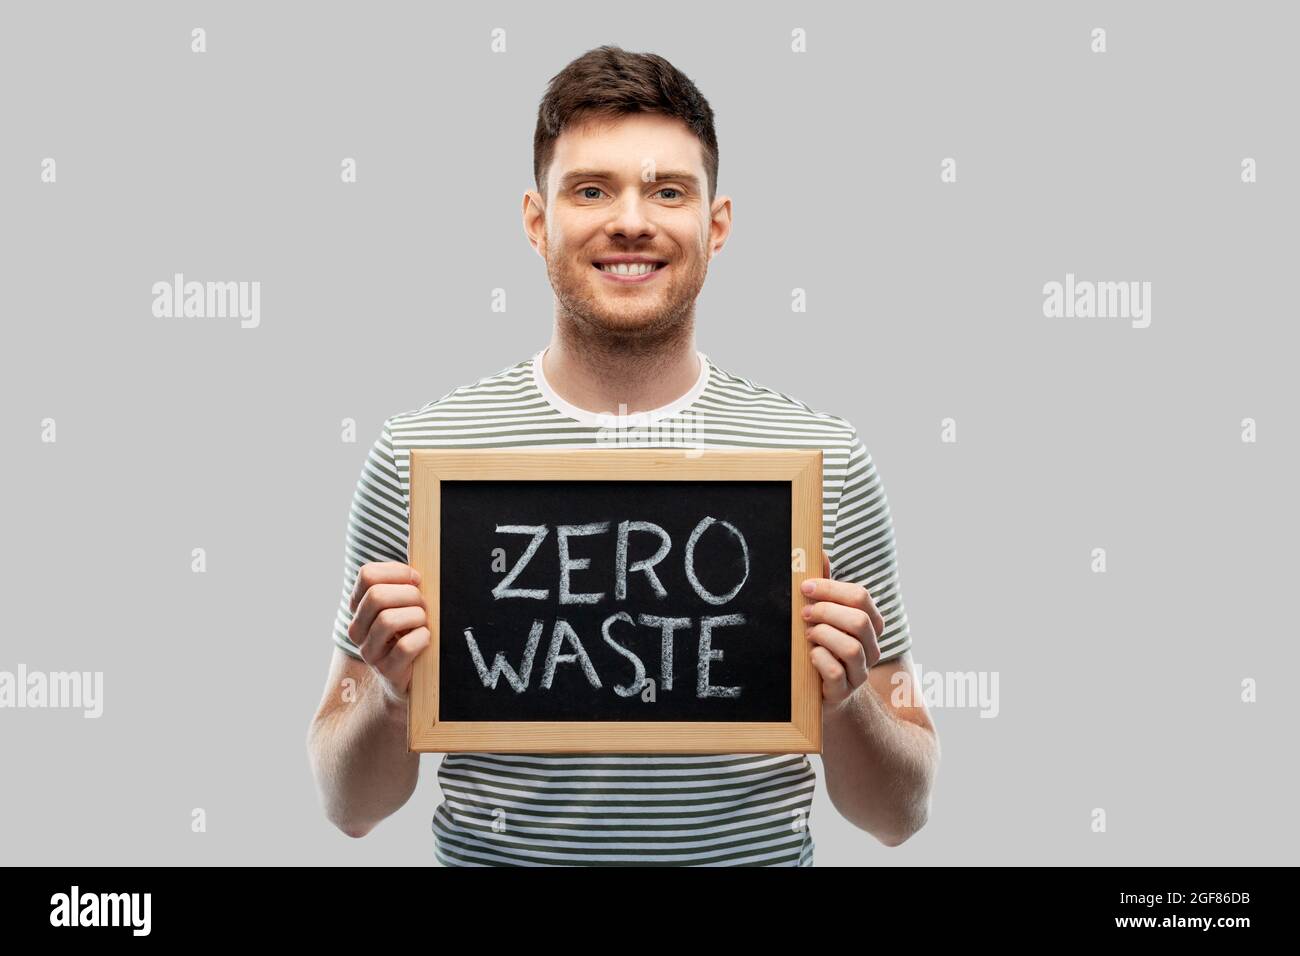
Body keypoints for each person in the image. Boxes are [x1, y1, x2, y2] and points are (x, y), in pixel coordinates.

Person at [307, 45, 939, 866]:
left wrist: (850, 703)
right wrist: (391, 697)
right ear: (538, 222)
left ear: (717, 224)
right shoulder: (421, 458)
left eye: (668, 191)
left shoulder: (823, 460)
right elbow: (346, 807)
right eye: (592, 189)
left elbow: (901, 815)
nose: (631, 220)